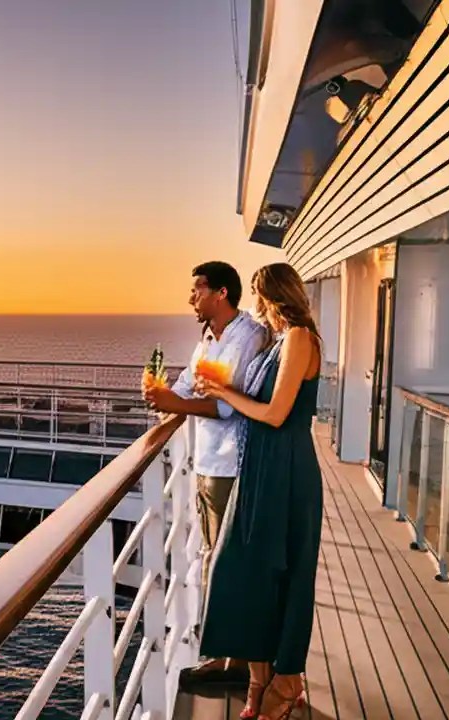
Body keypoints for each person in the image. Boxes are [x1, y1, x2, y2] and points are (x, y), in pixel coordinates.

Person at [194, 262, 323, 719]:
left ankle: (285, 682)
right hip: (260, 465)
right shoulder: (276, 342)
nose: (254, 304)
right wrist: (223, 388)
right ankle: (259, 681)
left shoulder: (300, 339)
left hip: (287, 470)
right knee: (247, 570)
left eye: (257, 294)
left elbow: (274, 414)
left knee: (281, 574)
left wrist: (223, 394)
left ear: (273, 295)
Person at [144, 261, 267, 687]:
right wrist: (161, 396)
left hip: (232, 463)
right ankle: (227, 654)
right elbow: (188, 385)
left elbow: (227, 406)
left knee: (228, 561)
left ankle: (233, 660)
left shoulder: (244, 338)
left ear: (220, 293)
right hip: (208, 462)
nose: (191, 298)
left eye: (197, 290)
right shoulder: (210, 340)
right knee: (215, 556)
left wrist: (175, 403)